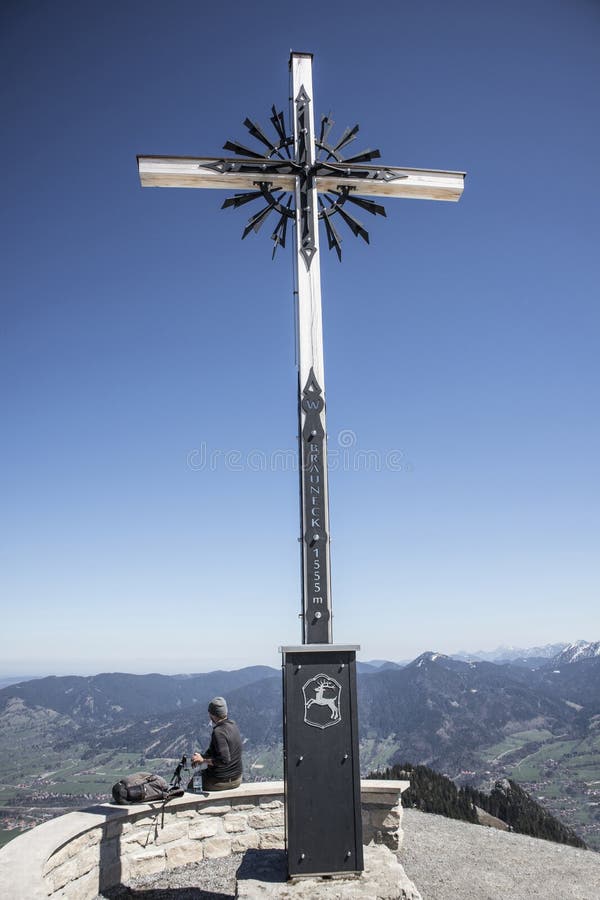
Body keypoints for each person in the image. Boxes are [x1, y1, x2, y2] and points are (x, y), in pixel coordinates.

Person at [191, 696, 243, 791]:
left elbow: (224, 760)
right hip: (237, 778)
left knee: (193, 784)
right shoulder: (233, 725)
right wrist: (202, 756)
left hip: (221, 782)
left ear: (212, 714)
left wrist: (203, 760)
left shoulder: (218, 732)